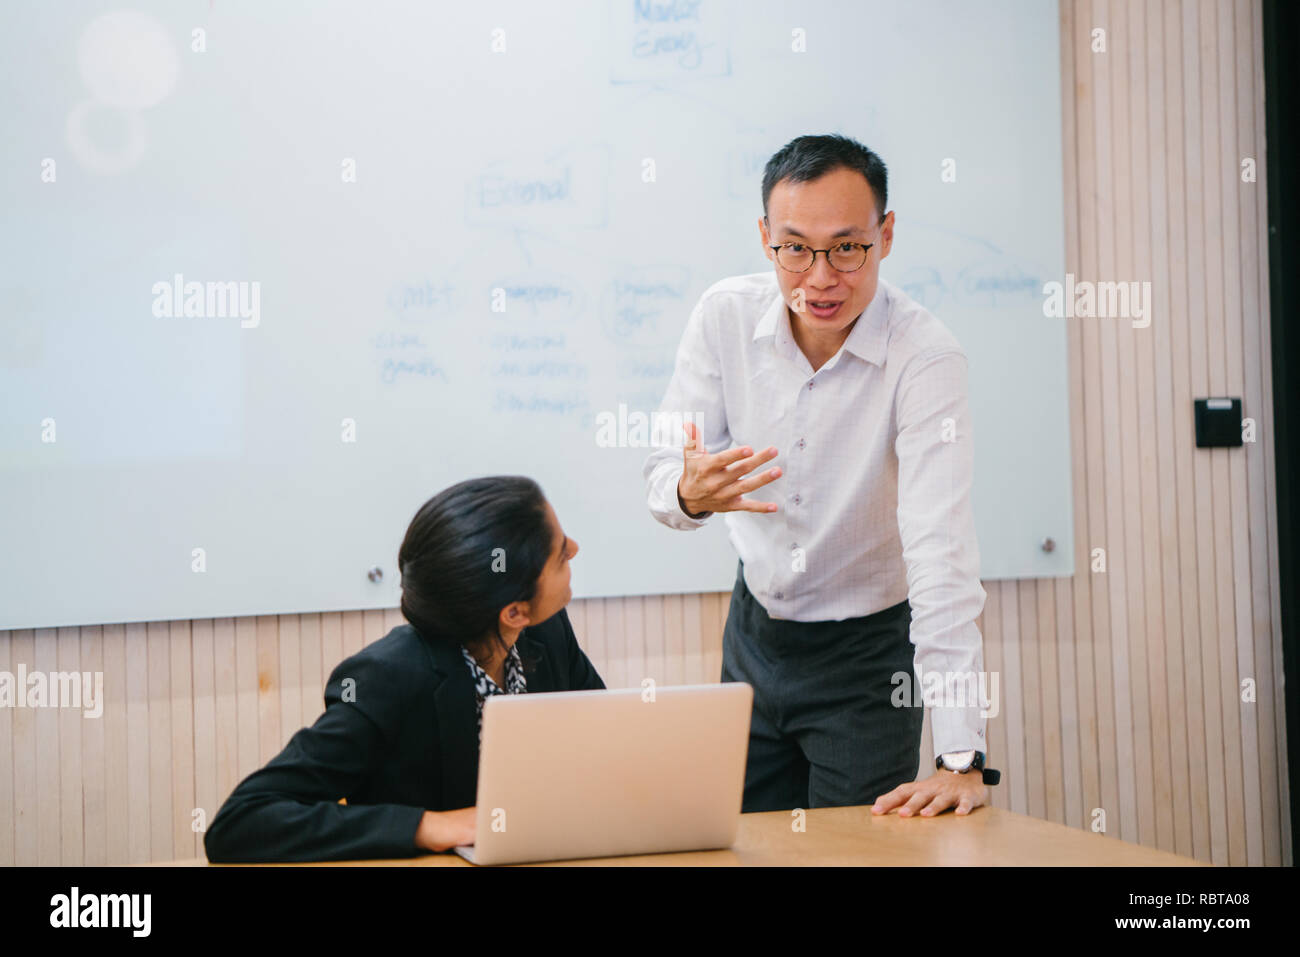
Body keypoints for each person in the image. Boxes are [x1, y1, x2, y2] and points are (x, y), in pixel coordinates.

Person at [643, 133, 998, 819]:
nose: (820, 276)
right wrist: (689, 495)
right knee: (745, 844)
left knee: (849, 855)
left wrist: (961, 758)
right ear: (765, 238)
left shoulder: (924, 358)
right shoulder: (724, 316)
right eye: (795, 248)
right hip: (754, 634)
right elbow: (663, 473)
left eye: (847, 247)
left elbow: (941, 554)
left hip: (867, 658)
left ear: (885, 235)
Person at [203, 475, 601, 862]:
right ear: (514, 612)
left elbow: (602, 742)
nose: (576, 550)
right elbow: (241, 821)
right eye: (561, 553)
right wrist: (430, 827)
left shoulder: (546, 631)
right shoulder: (386, 677)